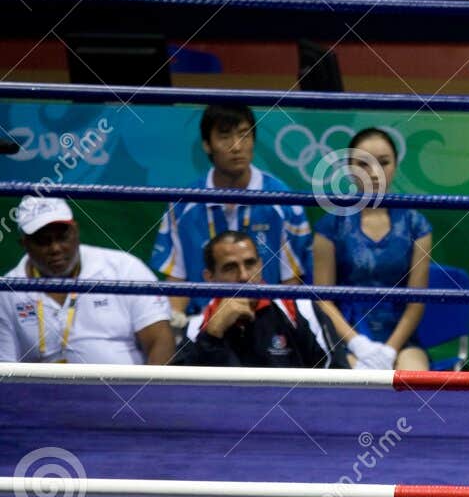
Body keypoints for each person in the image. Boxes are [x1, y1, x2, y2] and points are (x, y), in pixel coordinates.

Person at [151, 104, 312, 326]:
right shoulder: (182, 204)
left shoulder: (283, 201)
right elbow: (176, 278)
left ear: (254, 141)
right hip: (201, 322)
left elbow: (291, 280)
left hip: (267, 322)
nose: (237, 146)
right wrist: (177, 320)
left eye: (244, 135)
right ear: (207, 145)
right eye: (225, 137)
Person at [313, 128, 433, 371]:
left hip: (401, 340)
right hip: (346, 338)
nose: (374, 172)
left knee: (415, 377)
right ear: (349, 169)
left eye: (384, 162)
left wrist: (389, 351)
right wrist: (359, 345)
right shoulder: (329, 227)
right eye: (363, 164)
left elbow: (416, 301)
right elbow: (323, 301)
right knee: (356, 384)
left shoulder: (417, 225)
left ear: (395, 166)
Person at [0, 196, 173, 365]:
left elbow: (159, 340)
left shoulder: (123, 268)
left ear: (75, 230)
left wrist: (146, 393)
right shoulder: (7, 291)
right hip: (39, 393)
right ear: (24, 243)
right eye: (43, 241)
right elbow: (5, 367)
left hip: (123, 391)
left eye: (62, 236)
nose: (55, 248)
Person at [172, 230, 330, 368]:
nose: (244, 276)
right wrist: (212, 334)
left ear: (260, 265)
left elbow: (334, 371)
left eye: (250, 264)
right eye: (230, 268)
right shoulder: (197, 327)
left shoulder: (301, 310)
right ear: (210, 277)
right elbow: (177, 391)